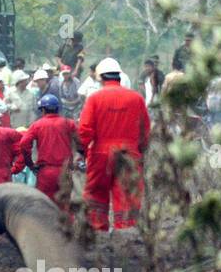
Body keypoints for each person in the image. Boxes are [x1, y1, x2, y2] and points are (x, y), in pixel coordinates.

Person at [78, 57, 150, 230]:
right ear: (119, 76)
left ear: (101, 78)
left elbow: (85, 130)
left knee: (96, 194)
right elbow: (145, 131)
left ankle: (98, 230)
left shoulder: (94, 98)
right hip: (129, 154)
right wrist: (141, 152)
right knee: (127, 194)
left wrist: (80, 151)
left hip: (100, 155)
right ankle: (126, 231)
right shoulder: (137, 99)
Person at [17, 94, 79, 201]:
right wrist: (79, 158)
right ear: (57, 109)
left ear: (43, 110)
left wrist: (30, 163)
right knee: (65, 206)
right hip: (65, 171)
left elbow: (24, 143)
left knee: (46, 207)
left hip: (46, 173)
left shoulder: (37, 125)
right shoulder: (69, 123)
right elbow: (81, 141)